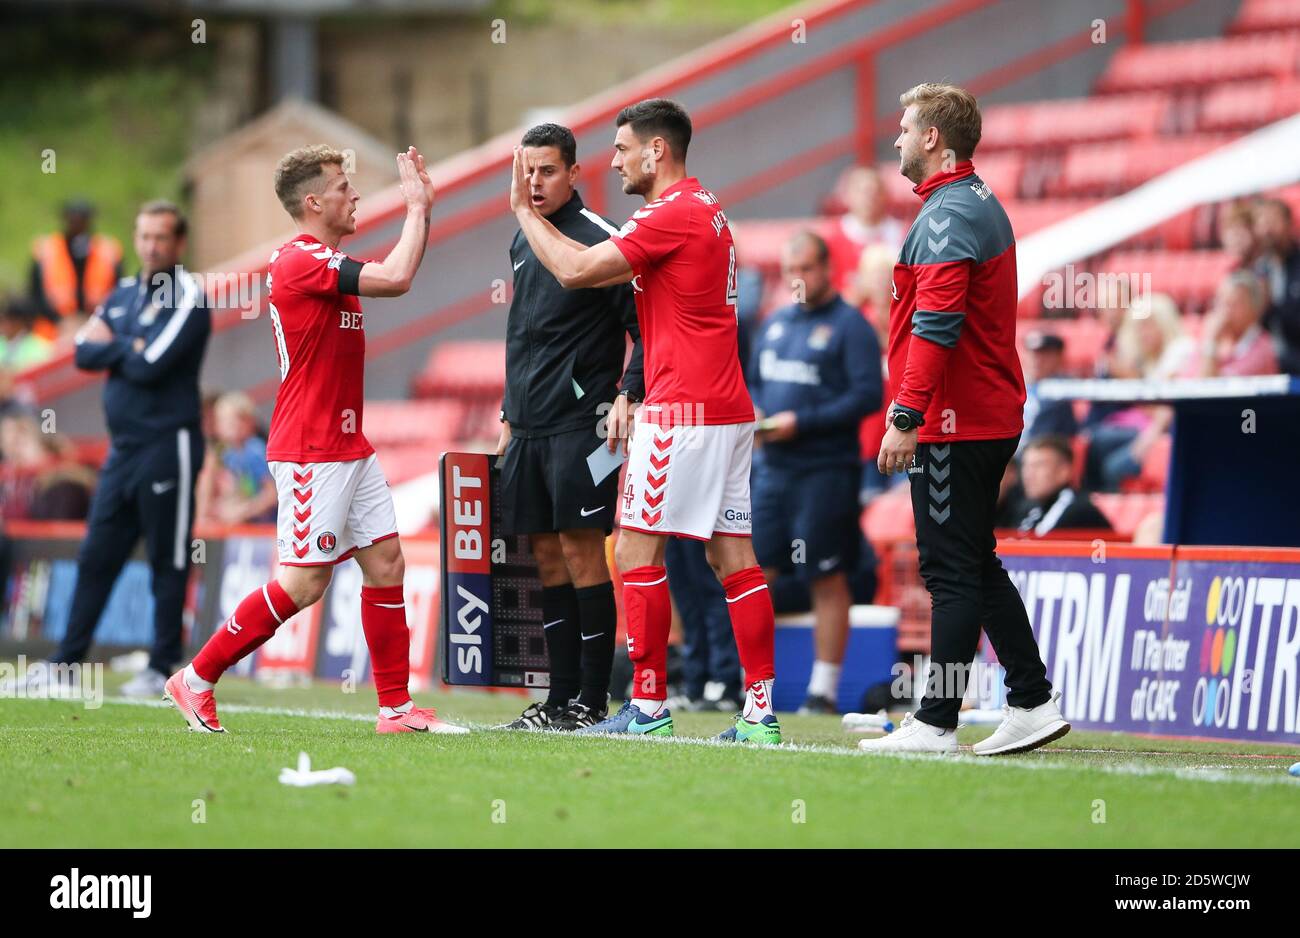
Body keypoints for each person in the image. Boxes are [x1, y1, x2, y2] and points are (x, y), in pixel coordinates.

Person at [165, 144, 467, 735]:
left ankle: (396, 709)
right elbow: (398, 277)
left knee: (385, 562)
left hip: (348, 446)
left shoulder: (326, 260)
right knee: (304, 582)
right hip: (310, 449)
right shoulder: (300, 260)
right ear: (312, 202)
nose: (354, 195)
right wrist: (417, 208)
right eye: (343, 186)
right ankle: (196, 678)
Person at [508, 98, 779, 744]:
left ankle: (649, 707)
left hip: (682, 410)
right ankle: (760, 716)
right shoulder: (706, 208)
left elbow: (575, 269)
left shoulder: (670, 213)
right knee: (734, 558)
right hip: (725, 407)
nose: (617, 159)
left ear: (656, 151)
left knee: (632, 551)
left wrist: (522, 209)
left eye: (624, 148)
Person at [863, 82, 1068, 756]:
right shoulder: (969, 202)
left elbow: (938, 325)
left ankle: (937, 719)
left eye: (904, 128)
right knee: (975, 564)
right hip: (982, 412)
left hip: (958, 421)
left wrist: (906, 415)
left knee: (950, 570)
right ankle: (1032, 700)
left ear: (932, 139)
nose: (895, 139)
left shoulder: (948, 215)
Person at [495, 123, 644, 732]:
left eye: (548, 171)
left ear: (575, 173)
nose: (535, 183)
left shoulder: (604, 242)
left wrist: (628, 395)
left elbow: (648, 329)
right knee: (546, 562)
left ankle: (591, 700)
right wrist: (508, 414)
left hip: (583, 429)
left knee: (584, 557)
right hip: (527, 428)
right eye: (527, 171)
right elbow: (524, 338)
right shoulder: (521, 241)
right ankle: (556, 701)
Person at [29, 201, 210, 699]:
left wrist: (123, 345)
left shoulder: (189, 293)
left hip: (167, 444)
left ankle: (161, 666)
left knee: (166, 559)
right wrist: (128, 345)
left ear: (179, 244)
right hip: (123, 448)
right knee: (96, 554)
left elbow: (151, 363)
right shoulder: (123, 292)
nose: (151, 246)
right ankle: (65, 662)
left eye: (161, 238)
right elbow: (83, 352)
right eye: (144, 236)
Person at [749, 230, 881, 714]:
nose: (798, 280)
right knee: (754, 572)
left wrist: (801, 423)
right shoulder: (776, 324)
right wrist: (761, 416)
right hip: (772, 471)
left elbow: (867, 396)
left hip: (825, 472)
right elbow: (755, 383)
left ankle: (823, 689)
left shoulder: (852, 328)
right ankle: (755, 686)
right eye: (789, 272)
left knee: (825, 575)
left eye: (806, 268)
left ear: (827, 269)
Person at [29, 200, 123, 341]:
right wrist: (60, 321)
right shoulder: (47, 250)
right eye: (73, 221)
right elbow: (35, 295)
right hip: (53, 333)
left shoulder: (108, 251)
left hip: (98, 328)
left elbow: (119, 293)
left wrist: (92, 321)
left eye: (82, 221)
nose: (77, 226)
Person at [828, 166, 905, 303]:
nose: (869, 197)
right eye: (862, 191)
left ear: (885, 195)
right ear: (847, 196)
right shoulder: (833, 240)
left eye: (875, 191)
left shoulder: (903, 234)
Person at [1014, 436, 1112, 536]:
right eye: (1026, 466)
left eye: (1039, 465)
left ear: (1064, 471)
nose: (1028, 474)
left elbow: (1038, 545)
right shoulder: (1030, 508)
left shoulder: (1077, 510)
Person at [1187, 270, 1278, 378]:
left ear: (1254, 310)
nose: (1225, 311)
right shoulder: (1206, 343)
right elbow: (1189, 380)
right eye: (1221, 302)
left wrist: (1212, 342)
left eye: (1233, 304)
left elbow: (1214, 388)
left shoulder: (1262, 350)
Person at [209, 391, 277, 525]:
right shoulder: (230, 454)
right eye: (222, 420)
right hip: (251, 526)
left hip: (269, 527)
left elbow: (272, 495)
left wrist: (242, 511)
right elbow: (239, 490)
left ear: (249, 422)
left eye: (232, 421)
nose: (227, 426)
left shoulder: (255, 450)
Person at [1252, 197, 1300, 373]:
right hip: (1269, 362)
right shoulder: (1259, 270)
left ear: (1289, 224)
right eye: (1262, 222)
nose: (1267, 229)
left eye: (1273, 221)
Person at [1019, 331, 1077, 454]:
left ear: (1059, 357)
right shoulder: (1016, 385)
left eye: (1045, 355)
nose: (1037, 360)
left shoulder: (1061, 389)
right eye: (1033, 354)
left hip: (1036, 454)